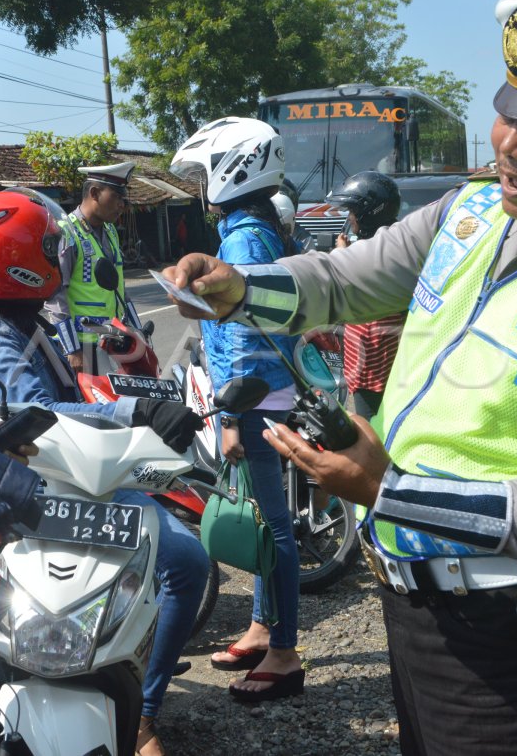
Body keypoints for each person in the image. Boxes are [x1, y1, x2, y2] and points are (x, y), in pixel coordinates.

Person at [162, 0, 517, 755]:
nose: (510, 144)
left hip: (514, 628)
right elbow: (342, 279)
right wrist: (241, 287)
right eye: (508, 115)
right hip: (410, 602)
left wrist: (392, 491)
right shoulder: (470, 214)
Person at [0, 188, 207, 756]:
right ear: (14, 259)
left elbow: (73, 378)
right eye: (48, 246)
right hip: (48, 480)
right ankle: (142, 714)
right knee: (185, 564)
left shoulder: (20, 318)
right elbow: (36, 411)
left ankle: (138, 697)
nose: (59, 257)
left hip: (72, 469)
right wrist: (133, 409)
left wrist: (133, 368)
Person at [168, 116, 308, 702]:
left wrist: (228, 420)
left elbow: (246, 342)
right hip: (263, 398)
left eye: (205, 173)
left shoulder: (245, 238)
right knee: (257, 520)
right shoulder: (253, 228)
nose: (202, 186)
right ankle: (260, 628)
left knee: (272, 530)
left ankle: (284, 651)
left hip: (254, 404)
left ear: (233, 170)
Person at [45, 161, 144, 373]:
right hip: (82, 346)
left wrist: (139, 332)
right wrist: (72, 349)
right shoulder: (66, 232)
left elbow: (120, 290)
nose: (122, 205)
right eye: (117, 197)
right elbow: (56, 296)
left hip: (112, 341)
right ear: (95, 193)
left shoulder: (110, 231)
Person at [329, 171, 405, 418]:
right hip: (376, 363)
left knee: (371, 432)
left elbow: (341, 281)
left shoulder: (373, 250)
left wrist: (342, 253)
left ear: (368, 212)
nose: (349, 218)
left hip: (373, 367)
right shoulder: (394, 243)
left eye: (352, 211)